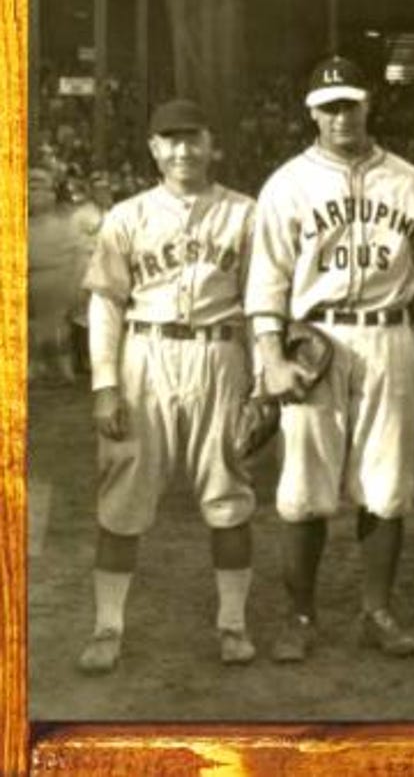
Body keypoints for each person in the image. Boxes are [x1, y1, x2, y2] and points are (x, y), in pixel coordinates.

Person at [246, 55, 414, 662]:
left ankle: (377, 613)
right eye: (327, 107)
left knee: (387, 483)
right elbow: (267, 280)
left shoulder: (406, 179)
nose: (339, 116)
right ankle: (299, 617)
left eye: (349, 103)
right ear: (311, 113)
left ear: (368, 104)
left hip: (390, 335)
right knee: (304, 486)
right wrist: (270, 356)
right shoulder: (287, 183)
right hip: (314, 342)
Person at [77, 98, 258, 673]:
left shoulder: (245, 214)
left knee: (229, 492)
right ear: (154, 148)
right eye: (170, 139)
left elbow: (260, 304)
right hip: (145, 354)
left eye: (193, 137)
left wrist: (260, 387)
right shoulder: (126, 216)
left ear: (212, 144)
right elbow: (105, 303)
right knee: (123, 493)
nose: (183, 150)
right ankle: (108, 626)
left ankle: (232, 623)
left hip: (220, 352)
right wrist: (105, 383)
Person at [28, 166, 81, 386]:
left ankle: (64, 367)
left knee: (60, 326)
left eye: (41, 190)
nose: (35, 196)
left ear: (51, 195)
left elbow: (77, 254)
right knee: (32, 327)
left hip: (60, 278)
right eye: (31, 190)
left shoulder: (66, 223)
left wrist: (75, 284)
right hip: (31, 279)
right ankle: (33, 366)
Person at [69, 171, 115, 374]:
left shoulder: (112, 212)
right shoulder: (81, 214)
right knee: (82, 314)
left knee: (102, 312)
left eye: (106, 189)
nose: (104, 193)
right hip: (84, 264)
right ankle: (81, 359)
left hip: (107, 265)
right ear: (92, 192)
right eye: (99, 190)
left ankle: (100, 359)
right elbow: (73, 242)